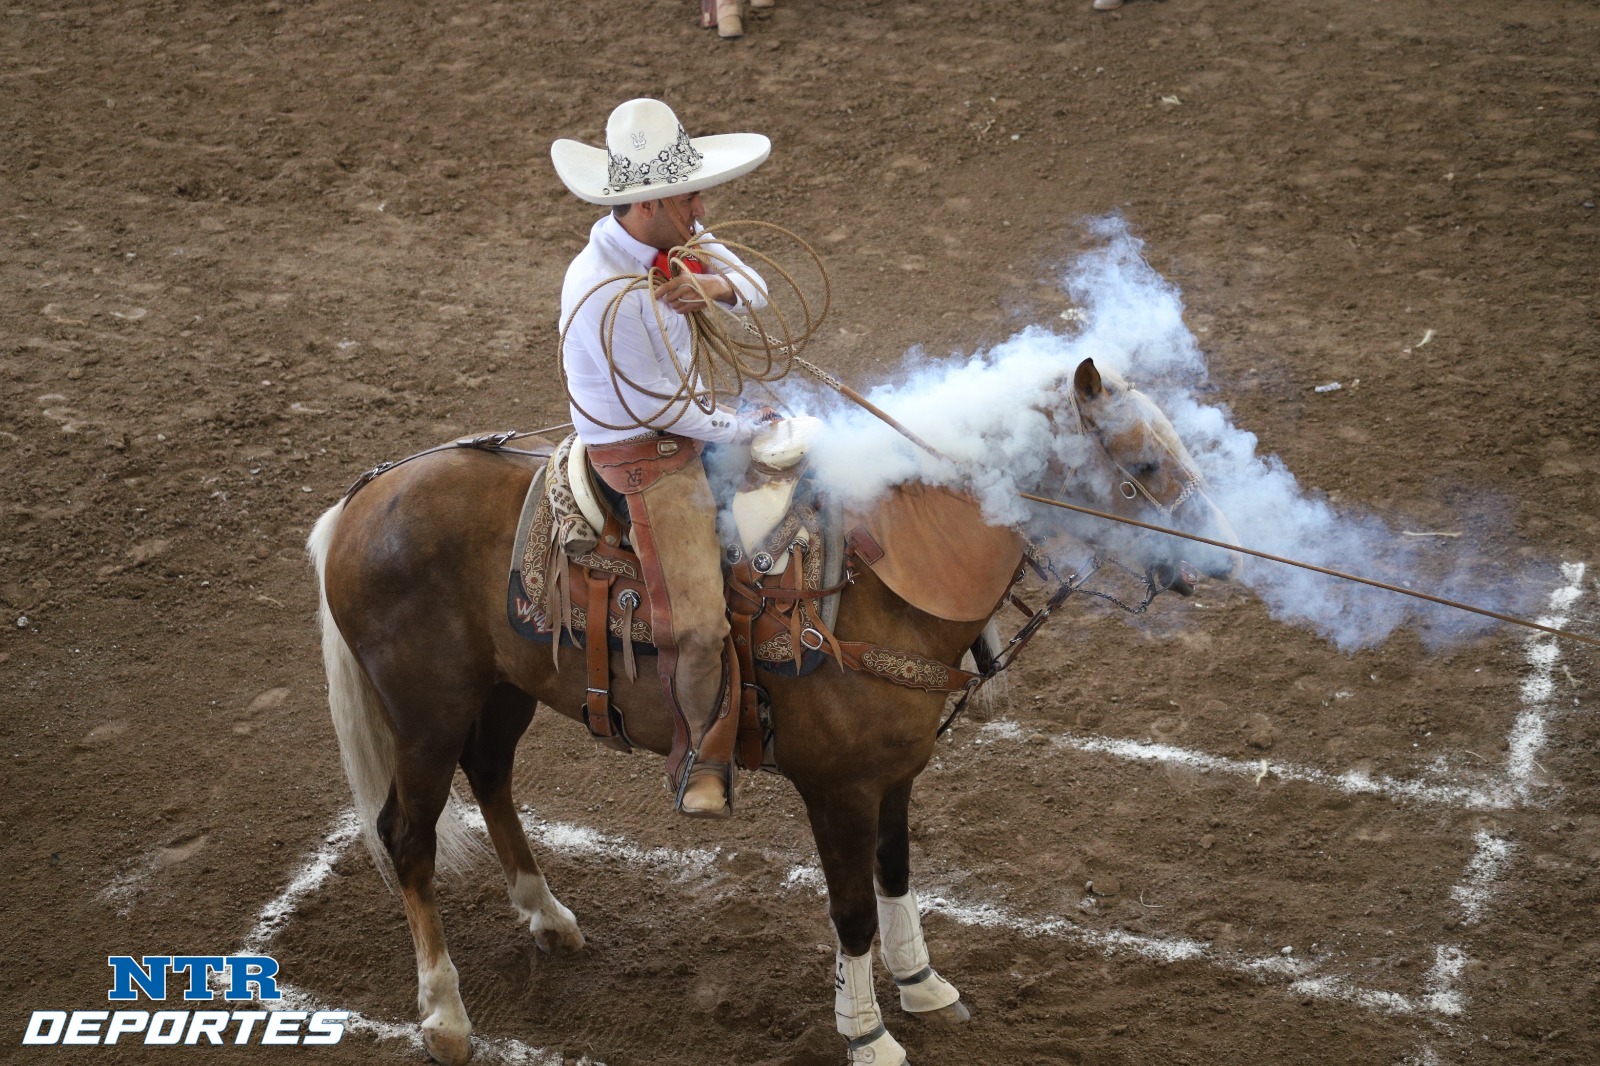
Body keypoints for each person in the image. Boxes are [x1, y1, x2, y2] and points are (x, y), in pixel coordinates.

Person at [550, 98, 771, 818]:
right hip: (645, 451)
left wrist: (712, 285)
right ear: (646, 205)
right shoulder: (600, 289)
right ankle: (699, 757)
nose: (703, 205)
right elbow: (659, 408)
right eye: (690, 195)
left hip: (687, 418)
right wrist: (739, 426)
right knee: (700, 622)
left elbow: (759, 288)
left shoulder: (682, 237)